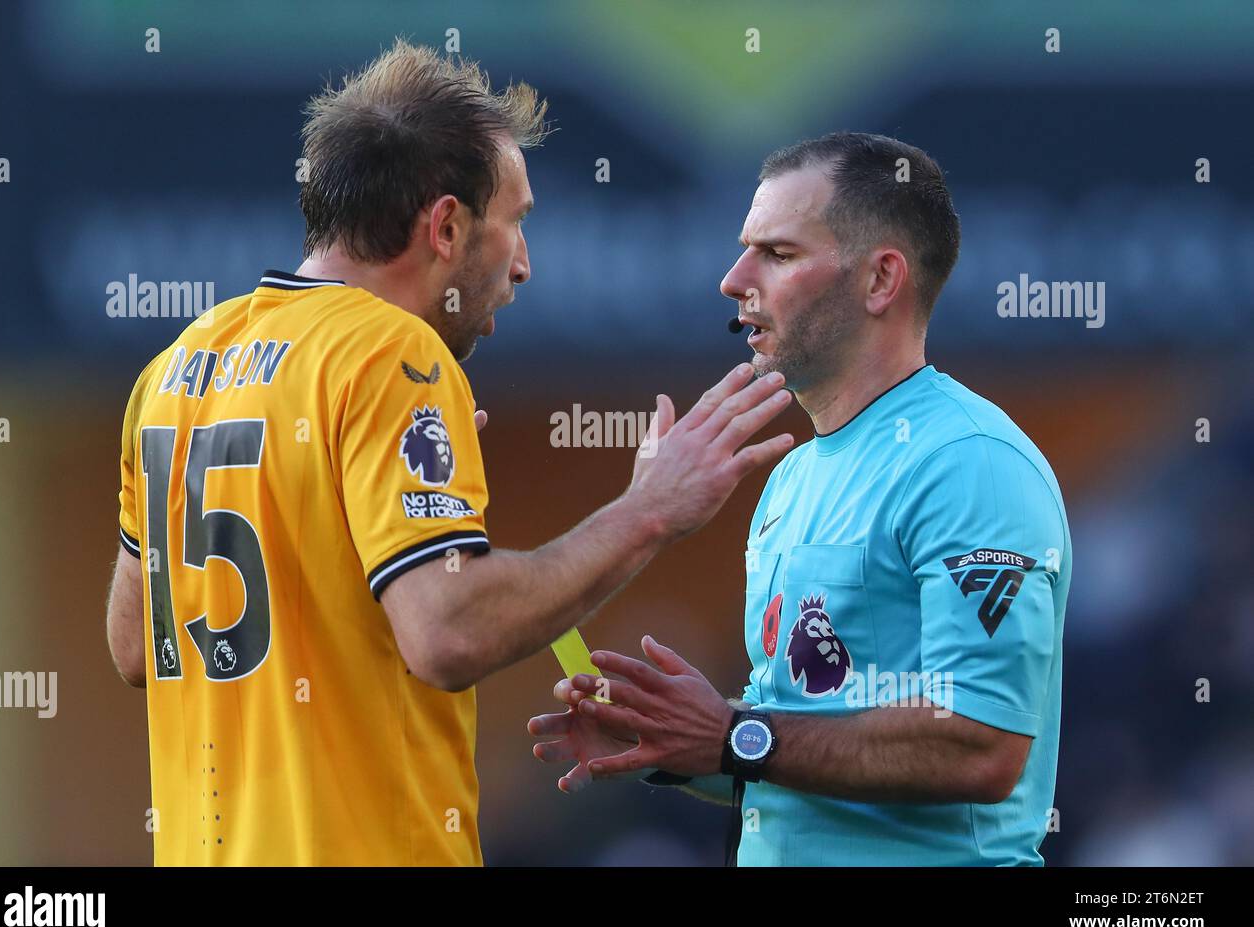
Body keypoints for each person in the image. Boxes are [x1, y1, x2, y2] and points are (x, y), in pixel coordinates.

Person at [103, 40, 794, 866]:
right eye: (519, 222)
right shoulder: (392, 353)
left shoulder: (179, 366)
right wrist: (646, 513)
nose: (525, 264)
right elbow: (444, 632)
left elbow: (135, 645)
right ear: (446, 226)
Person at [530, 132, 1071, 866]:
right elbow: (792, 756)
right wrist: (675, 741)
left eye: (777, 254)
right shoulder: (793, 478)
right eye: (745, 248)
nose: (732, 278)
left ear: (881, 281)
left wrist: (732, 734)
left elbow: (980, 746)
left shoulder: (968, 462)